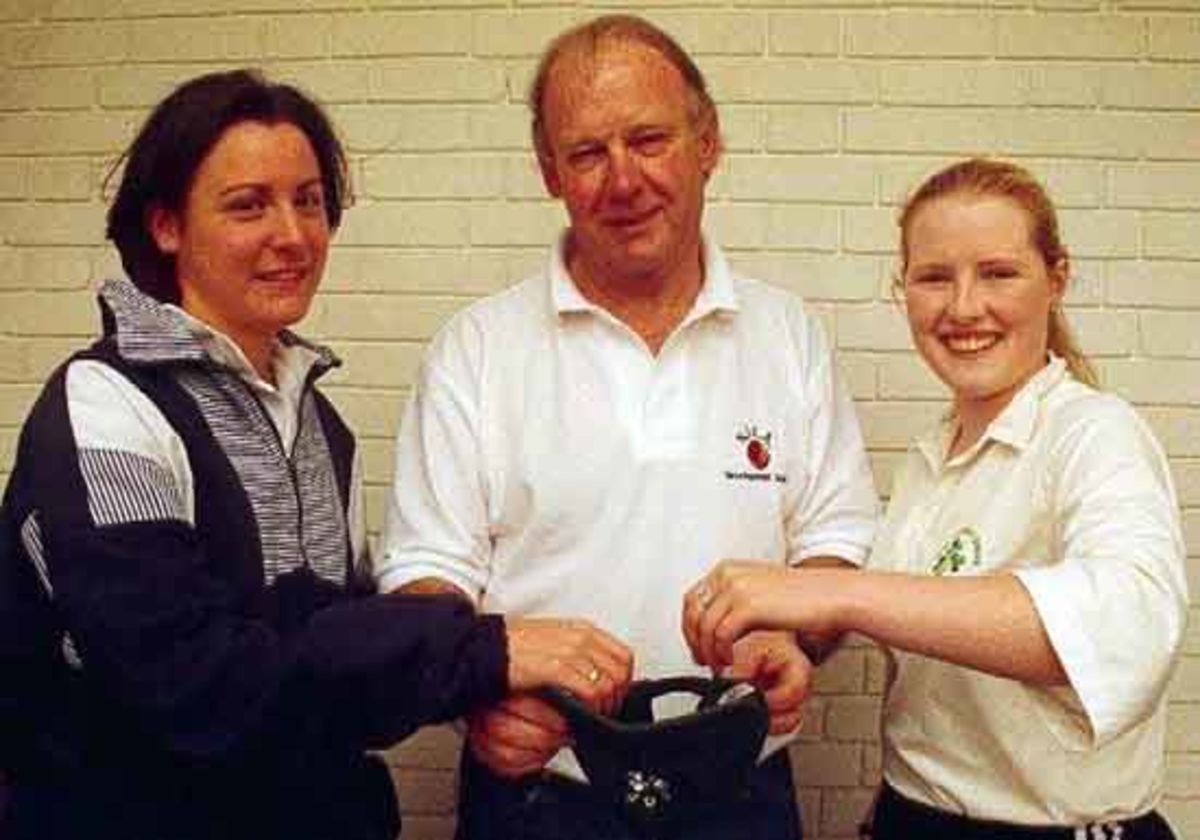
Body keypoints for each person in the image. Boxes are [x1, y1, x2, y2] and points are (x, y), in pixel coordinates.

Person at [0, 68, 628, 840]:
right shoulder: (104, 406)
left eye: (308, 200)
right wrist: (487, 652)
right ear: (166, 225)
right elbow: (193, 687)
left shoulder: (320, 425)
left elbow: (344, 667)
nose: (292, 235)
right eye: (247, 205)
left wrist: (478, 700)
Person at [376, 15, 877, 840]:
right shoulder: (476, 349)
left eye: (649, 139)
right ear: (549, 173)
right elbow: (428, 573)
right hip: (539, 797)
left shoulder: (789, 337)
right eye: (587, 153)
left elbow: (837, 538)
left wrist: (790, 632)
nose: (623, 179)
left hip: (739, 795)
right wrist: (479, 690)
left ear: (707, 143)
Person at [683, 158, 1188, 840]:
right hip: (912, 816)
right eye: (934, 278)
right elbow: (933, 659)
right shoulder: (932, 460)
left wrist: (837, 595)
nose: (963, 307)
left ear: (1057, 279)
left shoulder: (1094, 433)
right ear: (904, 291)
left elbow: (1123, 627)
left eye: (999, 273)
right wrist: (792, 648)